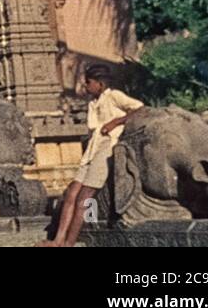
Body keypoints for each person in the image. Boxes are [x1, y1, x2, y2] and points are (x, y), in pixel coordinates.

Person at [41, 63, 143, 246]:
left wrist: (116, 122)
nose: (86, 86)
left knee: (84, 197)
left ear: (100, 84)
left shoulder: (114, 96)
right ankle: (58, 240)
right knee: (72, 192)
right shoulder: (92, 104)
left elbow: (140, 108)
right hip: (92, 150)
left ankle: (69, 243)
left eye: (89, 82)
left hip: (107, 149)